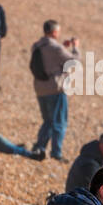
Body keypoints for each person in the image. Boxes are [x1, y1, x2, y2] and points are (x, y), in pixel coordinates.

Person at [29, 20, 80, 161]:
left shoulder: (36, 45)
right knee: (59, 122)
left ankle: (40, 146)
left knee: (47, 121)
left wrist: (62, 47)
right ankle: (56, 152)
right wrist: (75, 47)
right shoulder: (55, 47)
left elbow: (48, 60)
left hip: (40, 88)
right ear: (54, 32)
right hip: (55, 88)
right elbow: (74, 61)